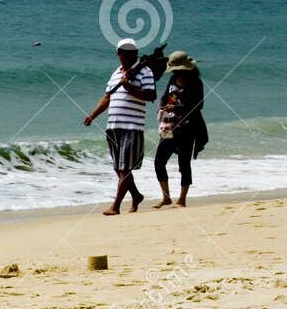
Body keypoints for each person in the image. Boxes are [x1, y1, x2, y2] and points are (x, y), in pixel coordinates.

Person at [83, 38, 157, 215]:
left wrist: (130, 88)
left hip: (132, 125)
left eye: (130, 53)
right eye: (123, 53)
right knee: (118, 167)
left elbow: (150, 95)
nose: (126, 56)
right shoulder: (116, 73)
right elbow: (108, 97)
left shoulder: (145, 71)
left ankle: (115, 206)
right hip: (113, 126)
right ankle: (136, 195)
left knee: (125, 167)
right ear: (118, 54)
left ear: (136, 54)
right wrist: (92, 115)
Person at [153, 51, 208, 208]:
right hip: (168, 125)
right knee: (159, 161)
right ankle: (166, 197)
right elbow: (165, 97)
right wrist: (161, 107)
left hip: (187, 127)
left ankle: (182, 199)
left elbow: (199, 105)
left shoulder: (196, 83)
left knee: (183, 163)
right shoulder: (172, 79)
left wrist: (180, 108)